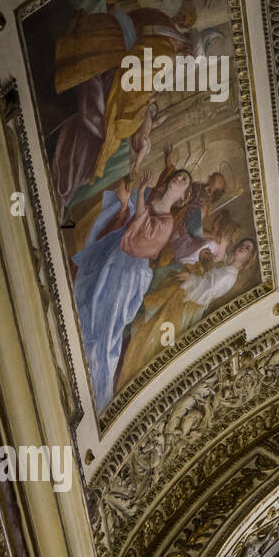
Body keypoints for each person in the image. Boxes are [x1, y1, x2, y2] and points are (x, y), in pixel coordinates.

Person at [72, 165, 192, 409]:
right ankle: (75, 347)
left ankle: (92, 385)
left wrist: (138, 197)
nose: (179, 180)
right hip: (115, 255)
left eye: (184, 181)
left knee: (108, 321)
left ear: (182, 196)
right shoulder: (152, 197)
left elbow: (141, 236)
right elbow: (129, 222)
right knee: (91, 301)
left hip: (128, 271)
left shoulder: (167, 221)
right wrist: (125, 203)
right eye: (179, 176)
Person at [115, 238, 256, 392]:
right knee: (151, 322)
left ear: (248, 259)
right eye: (242, 244)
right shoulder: (226, 268)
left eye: (247, 248)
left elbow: (206, 291)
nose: (242, 247)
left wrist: (190, 278)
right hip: (185, 300)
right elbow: (208, 280)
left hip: (187, 305)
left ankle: (131, 369)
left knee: (154, 331)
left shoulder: (230, 275)